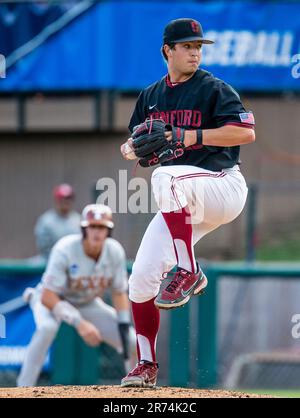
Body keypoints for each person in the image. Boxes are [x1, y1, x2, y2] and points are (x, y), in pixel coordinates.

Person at [120, 18, 255, 387]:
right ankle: (146, 366)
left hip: (222, 187)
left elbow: (244, 132)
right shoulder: (150, 96)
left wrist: (188, 135)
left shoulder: (214, 89)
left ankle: (188, 270)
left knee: (164, 177)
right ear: (168, 50)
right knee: (141, 279)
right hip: (183, 199)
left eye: (199, 47)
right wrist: (132, 148)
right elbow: (132, 143)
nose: (196, 52)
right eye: (188, 46)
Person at [17, 204, 135, 387]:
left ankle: (137, 388)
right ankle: (23, 388)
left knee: (132, 340)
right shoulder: (65, 248)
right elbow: (48, 296)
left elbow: (119, 292)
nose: (97, 232)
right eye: (93, 226)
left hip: (86, 302)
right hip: (53, 300)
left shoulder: (114, 251)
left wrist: (123, 323)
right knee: (46, 328)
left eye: (102, 227)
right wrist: (80, 323)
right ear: (84, 229)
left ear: (108, 231)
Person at [34, 184, 81, 261]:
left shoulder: (79, 220)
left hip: (74, 261)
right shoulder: (46, 221)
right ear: (57, 201)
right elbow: (43, 246)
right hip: (49, 260)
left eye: (68, 199)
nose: (65, 203)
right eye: (62, 200)